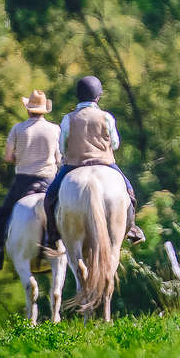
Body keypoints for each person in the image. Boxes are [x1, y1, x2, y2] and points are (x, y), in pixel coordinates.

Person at [41, 75, 146, 253]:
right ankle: (132, 228)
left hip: (74, 165)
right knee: (129, 192)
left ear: (78, 96)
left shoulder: (68, 119)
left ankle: (52, 235)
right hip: (105, 163)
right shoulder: (106, 117)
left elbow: (62, 147)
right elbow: (115, 144)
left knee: (50, 196)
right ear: (98, 96)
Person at [0, 89, 60, 271]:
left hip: (23, 182)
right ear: (44, 110)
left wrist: (20, 157)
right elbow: (59, 158)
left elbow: (8, 157)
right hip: (48, 182)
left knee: (1, 215)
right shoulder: (55, 129)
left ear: (28, 109)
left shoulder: (18, 129)